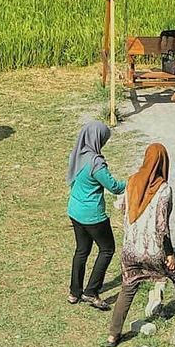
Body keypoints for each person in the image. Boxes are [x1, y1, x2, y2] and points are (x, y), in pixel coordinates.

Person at [107, 143, 175, 347]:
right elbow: (162, 225)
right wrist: (169, 253)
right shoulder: (164, 189)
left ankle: (113, 334)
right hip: (155, 249)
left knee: (128, 286)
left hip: (130, 249)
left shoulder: (132, 181)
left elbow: (119, 206)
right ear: (163, 163)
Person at [67, 121, 126, 309]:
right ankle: (91, 292)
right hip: (92, 215)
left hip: (75, 210)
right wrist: (132, 182)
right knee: (107, 249)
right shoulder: (96, 163)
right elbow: (114, 187)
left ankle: (74, 292)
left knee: (82, 250)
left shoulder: (79, 154)